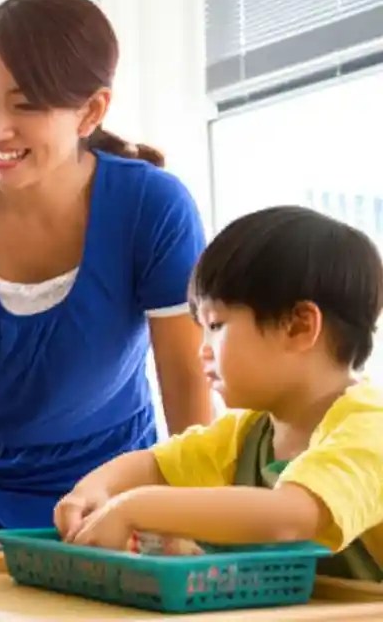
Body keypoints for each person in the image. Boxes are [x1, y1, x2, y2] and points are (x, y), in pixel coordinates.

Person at [0, 0, 213, 547]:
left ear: (91, 111)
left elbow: (185, 384)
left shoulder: (153, 207)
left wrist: (191, 517)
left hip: (109, 485)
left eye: (26, 104)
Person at [57, 206, 383, 581]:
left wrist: (136, 507)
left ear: (299, 326)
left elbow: (289, 516)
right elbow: (154, 466)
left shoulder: (371, 427)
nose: (203, 348)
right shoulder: (248, 433)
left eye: (216, 325)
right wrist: (90, 493)